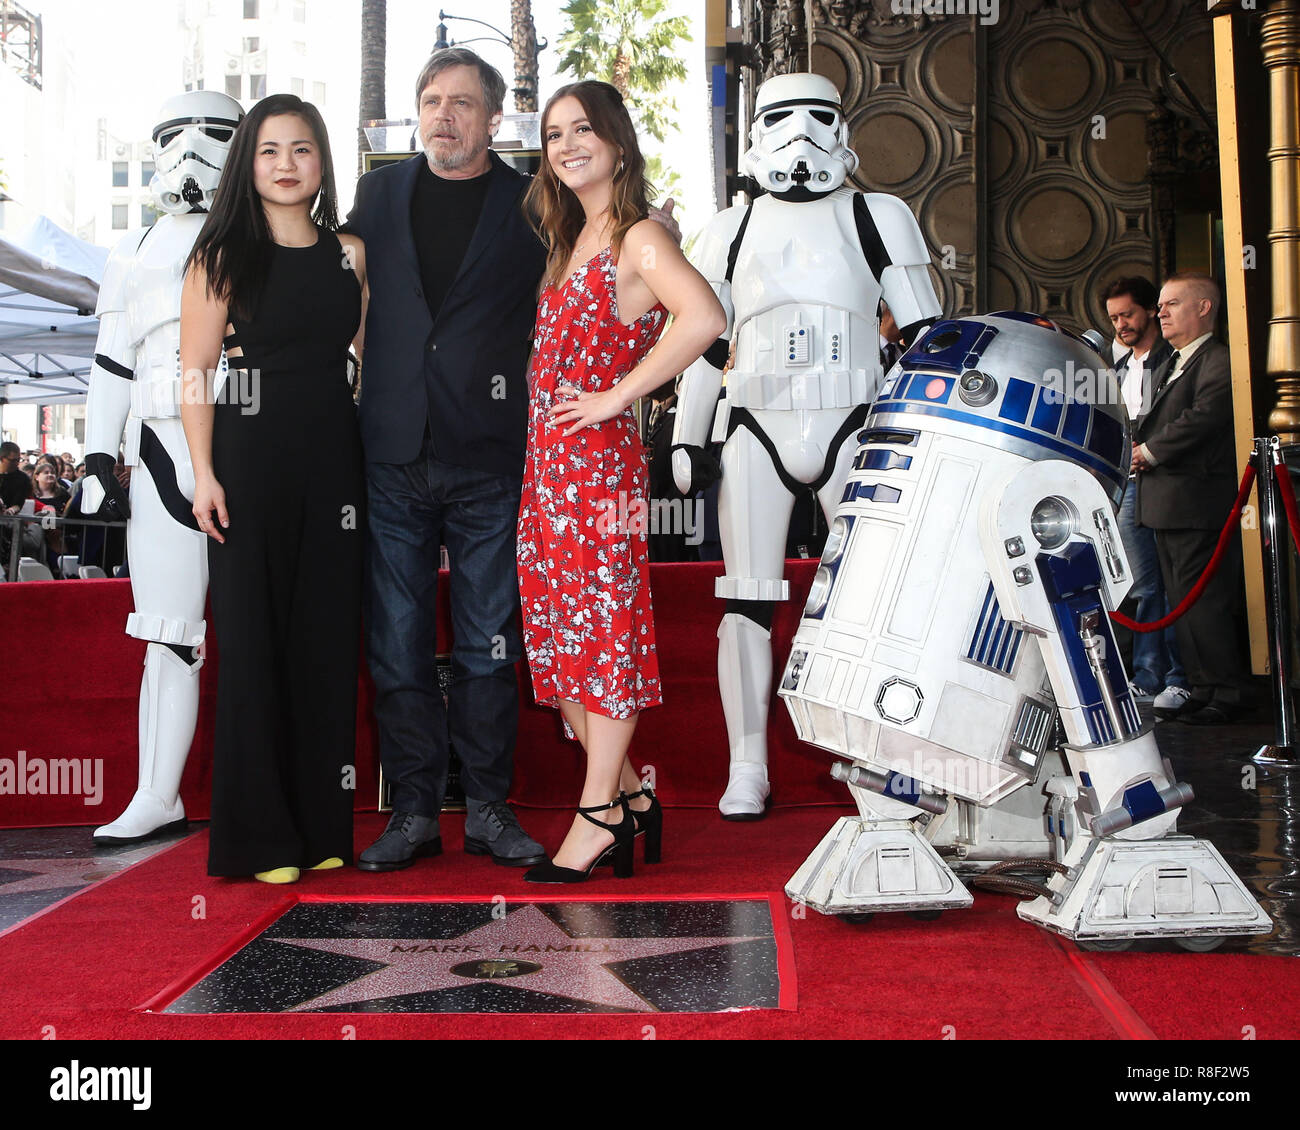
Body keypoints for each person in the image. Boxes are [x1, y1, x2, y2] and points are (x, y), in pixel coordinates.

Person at [344, 48, 681, 873]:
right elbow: (351, 297)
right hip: (393, 453)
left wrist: (618, 389)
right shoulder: (377, 195)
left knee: (495, 641)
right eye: (431, 101)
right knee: (396, 643)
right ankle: (416, 812)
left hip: (500, 457)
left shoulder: (536, 204)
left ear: (495, 117)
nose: (444, 115)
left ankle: (491, 810)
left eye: (463, 102)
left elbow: (636, 286)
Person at [518, 81, 726, 882]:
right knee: (559, 641)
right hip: (547, 473)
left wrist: (617, 394)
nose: (568, 144)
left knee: (601, 639)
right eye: (554, 133)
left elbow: (704, 317)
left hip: (598, 472)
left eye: (583, 130)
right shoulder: (569, 239)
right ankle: (633, 795)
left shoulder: (638, 238)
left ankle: (598, 811)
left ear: (616, 141)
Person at [180, 94, 367, 882]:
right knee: (254, 643)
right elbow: (193, 373)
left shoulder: (350, 253)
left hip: (336, 462)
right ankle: (260, 841)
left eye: (301, 149)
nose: (286, 164)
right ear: (247, 164)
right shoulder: (221, 254)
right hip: (249, 463)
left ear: (322, 161)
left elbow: (366, 360)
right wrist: (204, 473)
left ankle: (323, 829)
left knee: (325, 645)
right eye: (269, 150)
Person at [1132, 272, 1244, 725]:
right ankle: (1201, 685)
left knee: (1205, 601)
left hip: (1195, 500)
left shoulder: (1217, 359)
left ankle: (1229, 690)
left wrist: (1149, 452)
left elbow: (1204, 418)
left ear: (1203, 308)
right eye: (1160, 304)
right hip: (1166, 502)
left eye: (1172, 303)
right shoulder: (1170, 362)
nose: (1161, 312)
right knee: (1181, 601)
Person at [1101, 275, 1186, 709]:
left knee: (1162, 584)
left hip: (1164, 481)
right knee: (1139, 584)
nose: (1120, 324)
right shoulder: (1114, 369)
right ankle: (1150, 675)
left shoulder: (1173, 361)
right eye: (1114, 317)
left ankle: (1166, 676)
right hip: (1124, 484)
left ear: (1151, 309)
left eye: (1128, 314)